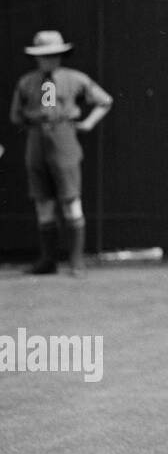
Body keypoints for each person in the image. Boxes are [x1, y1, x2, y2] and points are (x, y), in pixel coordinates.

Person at [9, 30, 113, 276]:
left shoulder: (75, 78)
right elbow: (15, 115)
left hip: (64, 137)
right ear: (36, 57)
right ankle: (48, 259)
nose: (49, 60)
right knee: (43, 201)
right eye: (44, 56)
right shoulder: (26, 82)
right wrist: (33, 122)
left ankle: (77, 261)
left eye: (54, 55)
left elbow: (104, 100)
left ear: (61, 55)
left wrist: (87, 123)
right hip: (36, 139)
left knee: (70, 198)